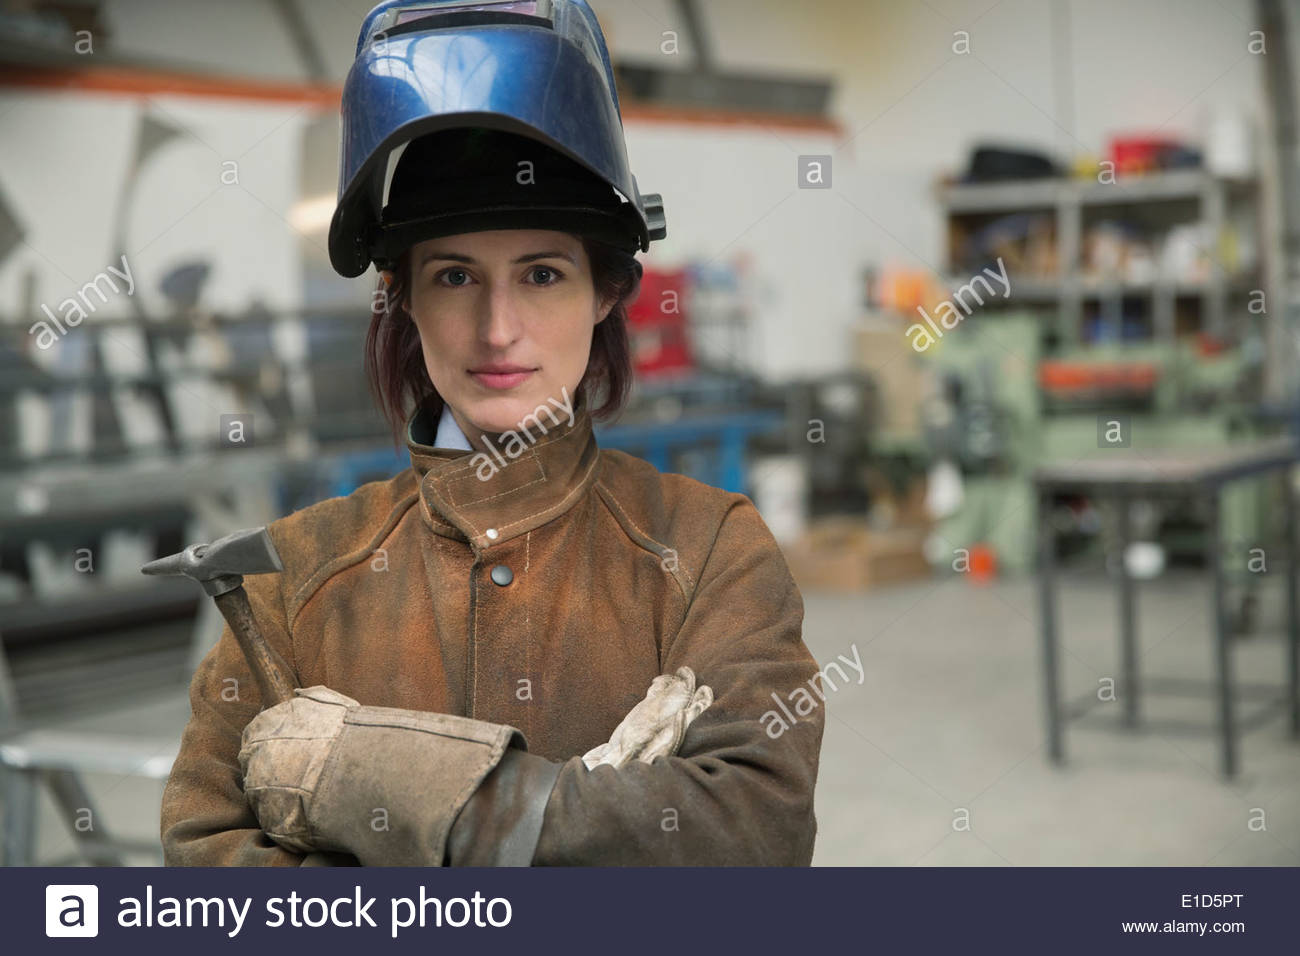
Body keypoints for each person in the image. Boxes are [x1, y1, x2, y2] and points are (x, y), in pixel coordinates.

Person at [159, 0, 823, 867]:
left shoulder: (707, 552)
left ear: (606, 291)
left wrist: (404, 785)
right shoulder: (293, 575)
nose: (497, 327)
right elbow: (205, 853)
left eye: (542, 273)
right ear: (402, 295)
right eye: (454, 275)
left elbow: (755, 832)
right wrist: (595, 813)